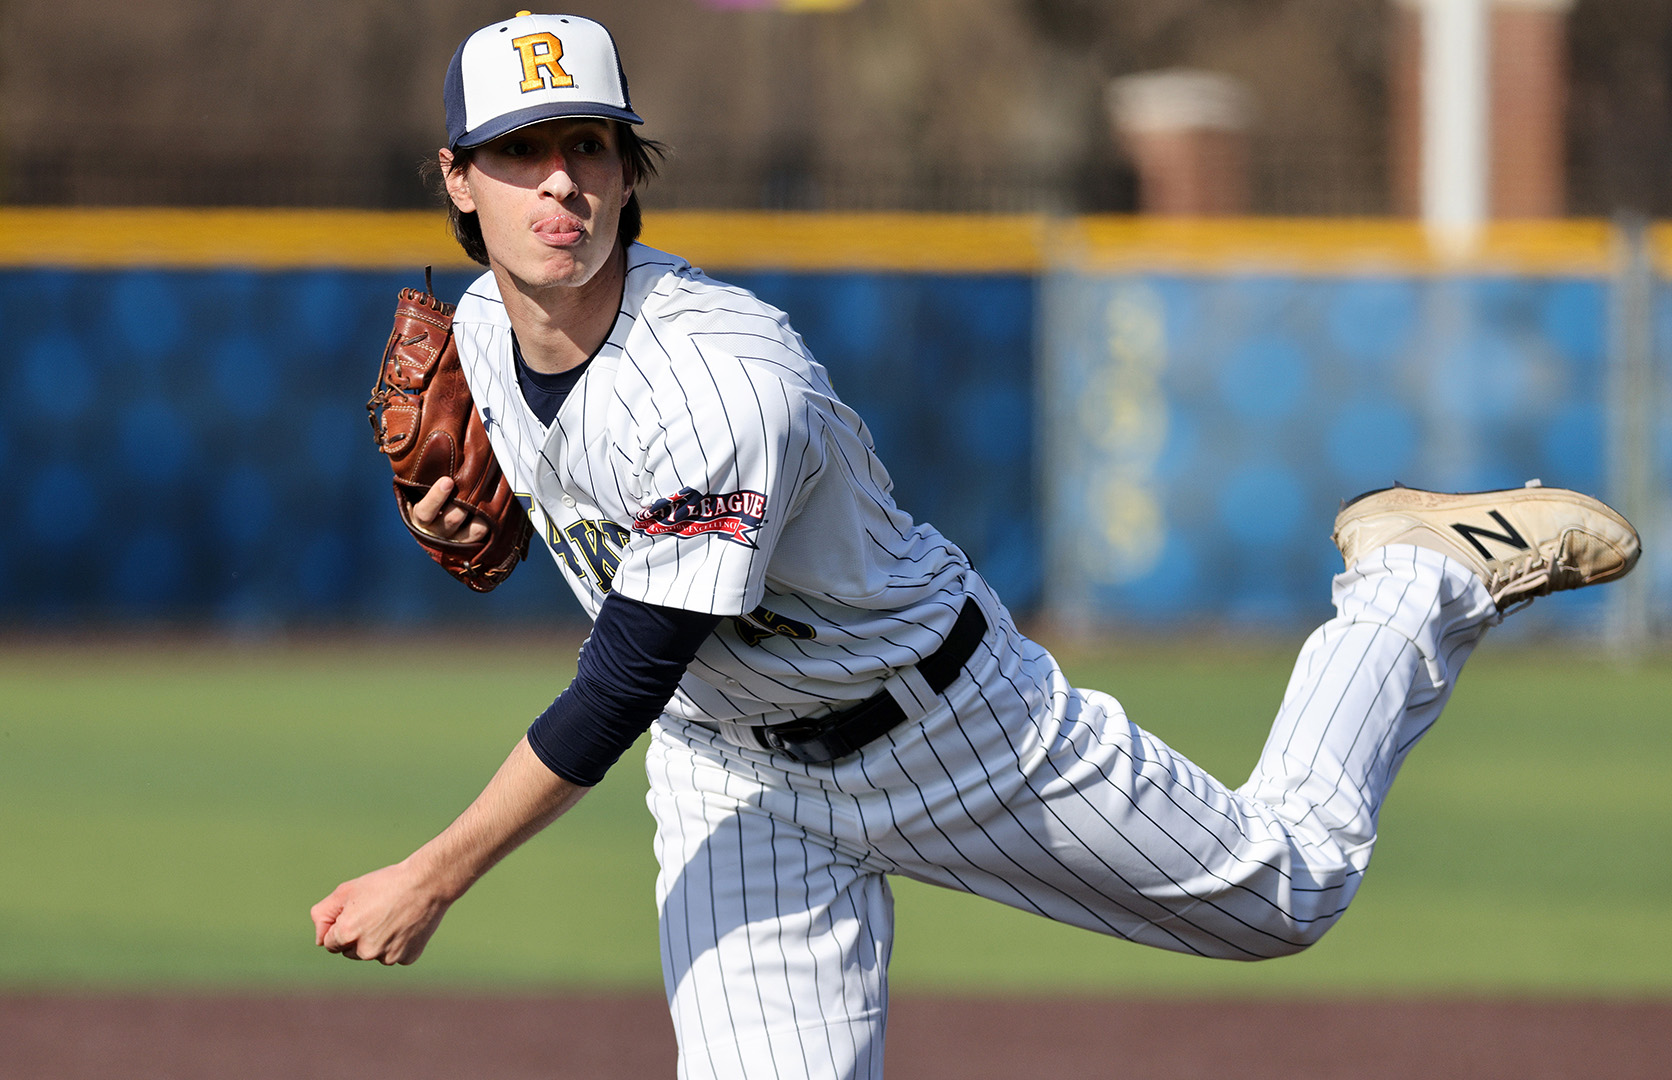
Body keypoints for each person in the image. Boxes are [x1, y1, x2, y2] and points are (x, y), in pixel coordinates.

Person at [311, 13, 1642, 1079]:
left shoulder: (723, 380)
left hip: (953, 728)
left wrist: (432, 878)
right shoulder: (479, 335)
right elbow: (575, 513)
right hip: (738, 779)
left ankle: (1418, 576)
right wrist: (453, 515)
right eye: (522, 148)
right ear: (455, 178)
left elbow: (628, 673)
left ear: (628, 171)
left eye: (591, 146)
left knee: (1289, 890)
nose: (561, 179)